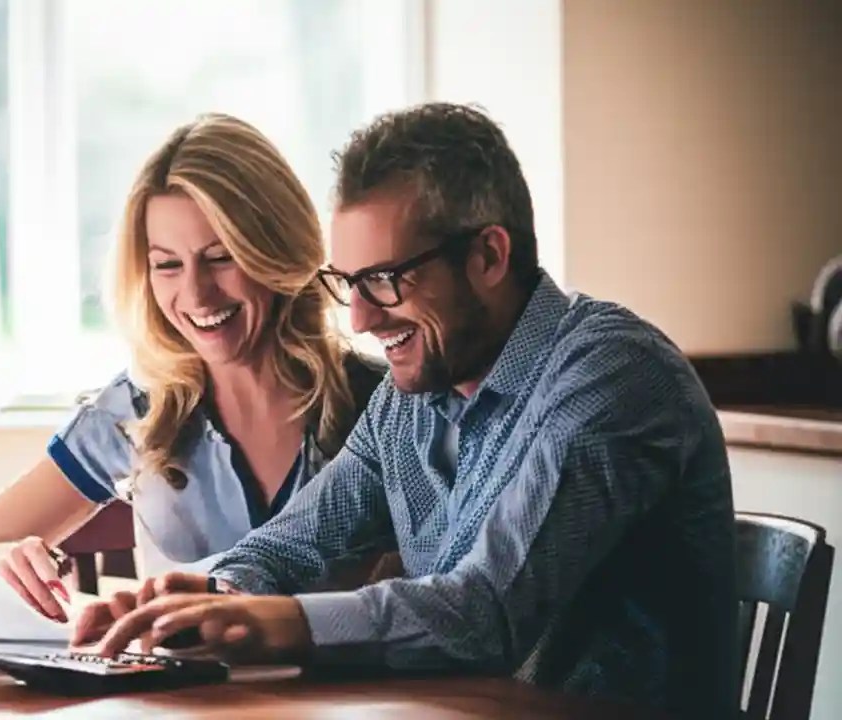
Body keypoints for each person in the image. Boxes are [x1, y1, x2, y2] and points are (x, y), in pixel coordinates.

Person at [81, 103, 737, 717]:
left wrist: (283, 622)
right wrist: (211, 596)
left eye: (386, 280)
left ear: (488, 256)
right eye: (349, 283)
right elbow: (301, 536)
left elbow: (487, 615)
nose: (362, 319)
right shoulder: (415, 393)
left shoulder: (610, 374)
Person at [0, 113, 385, 640]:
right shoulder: (134, 411)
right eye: (167, 265)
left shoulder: (390, 406)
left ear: (277, 252)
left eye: (221, 258)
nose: (196, 295)